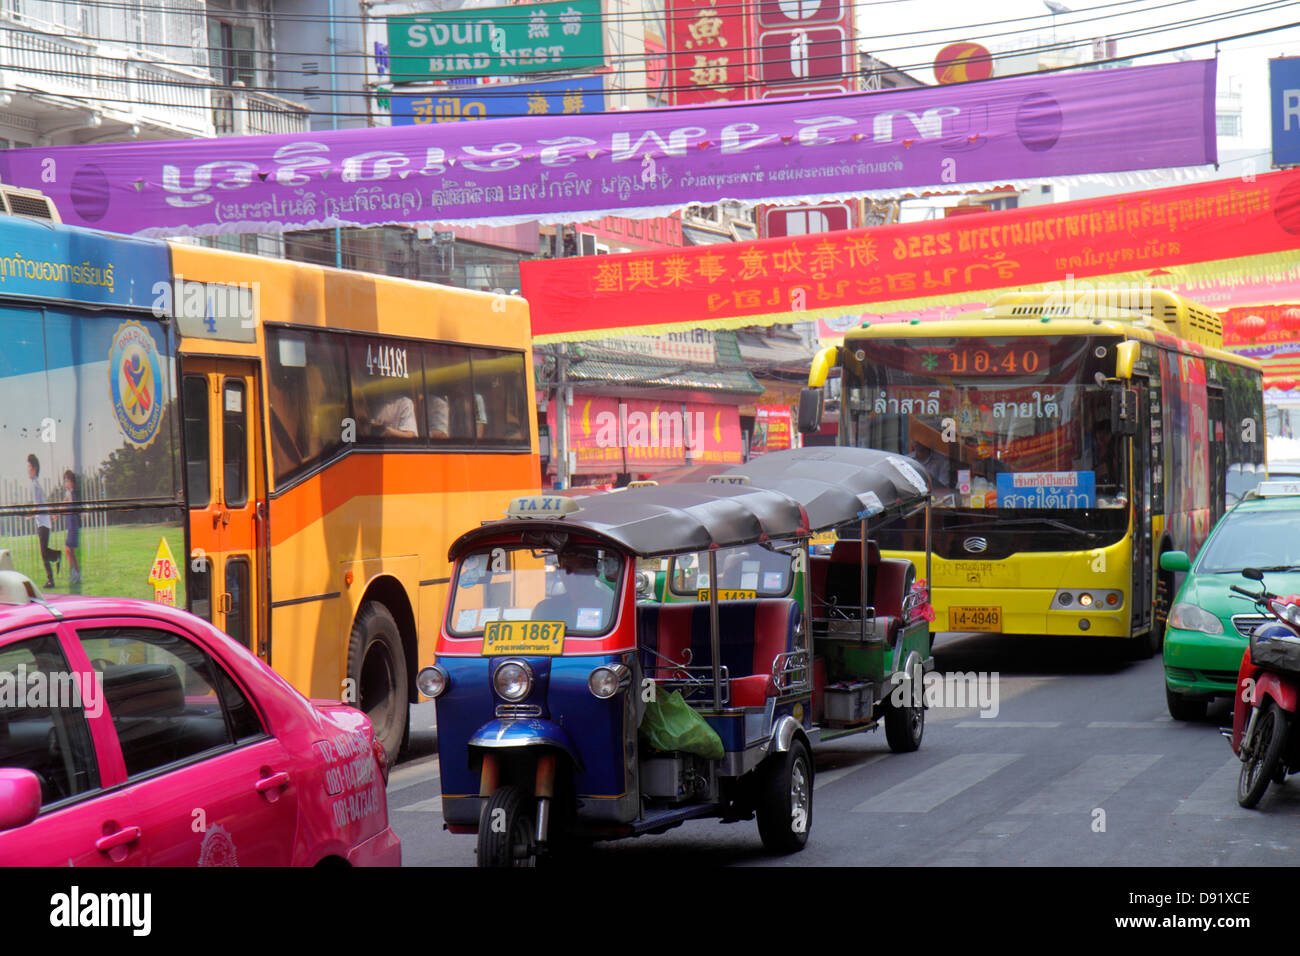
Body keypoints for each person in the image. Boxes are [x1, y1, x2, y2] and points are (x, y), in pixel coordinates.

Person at [532, 549, 616, 631]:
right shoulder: (545, 610)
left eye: (582, 568)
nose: (575, 577)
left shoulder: (613, 609)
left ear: (597, 571)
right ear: (560, 572)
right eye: (567, 570)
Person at [27, 454, 60, 588]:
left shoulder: (35, 485)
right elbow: (44, 503)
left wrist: (29, 515)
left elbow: (37, 505)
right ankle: (57, 556)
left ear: (34, 468)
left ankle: (51, 580)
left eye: (29, 467)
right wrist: (51, 513)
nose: (27, 470)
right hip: (44, 522)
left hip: (43, 523)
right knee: (45, 551)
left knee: (43, 553)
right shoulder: (37, 485)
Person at [62, 470, 82, 588]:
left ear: (72, 482)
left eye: (68, 481)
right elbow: (64, 505)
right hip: (71, 523)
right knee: (70, 551)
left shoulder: (71, 494)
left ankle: (74, 573)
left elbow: (69, 506)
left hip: (73, 524)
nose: (66, 483)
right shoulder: (68, 494)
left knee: (67, 549)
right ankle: (77, 573)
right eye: (65, 480)